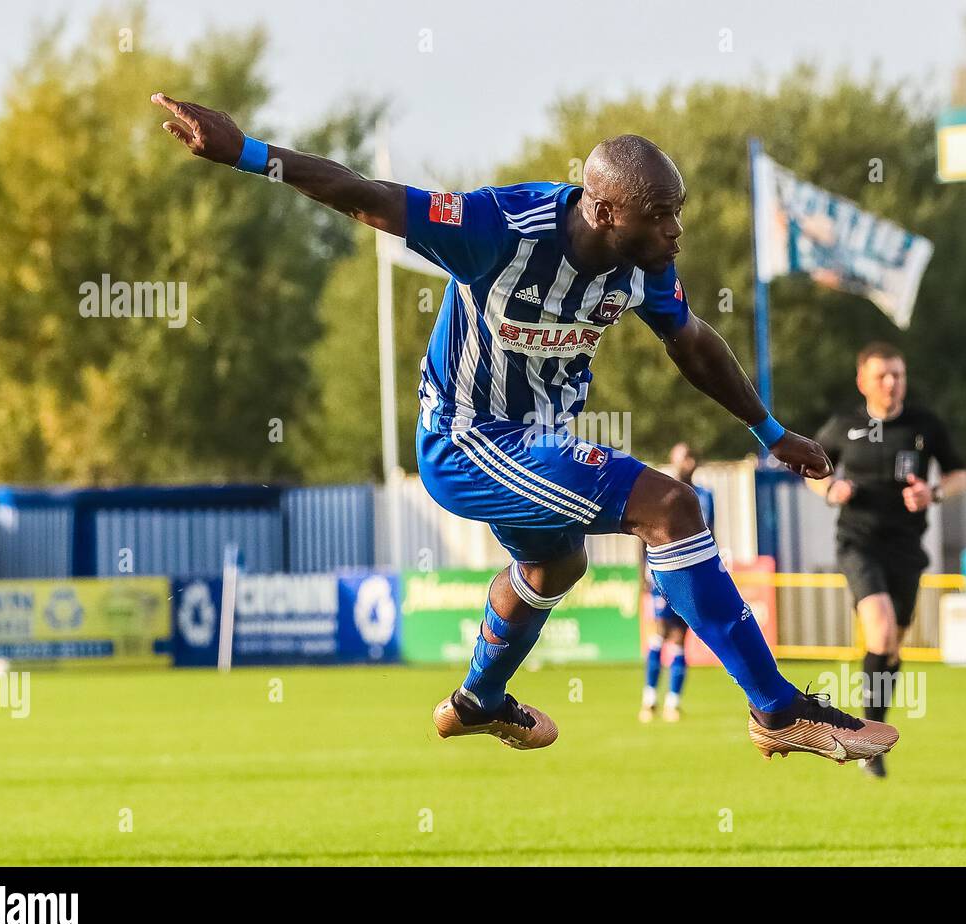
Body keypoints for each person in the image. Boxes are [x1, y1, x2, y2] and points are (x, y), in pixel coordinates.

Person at [152, 94, 899, 765]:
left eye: (679, 211)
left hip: (535, 437)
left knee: (555, 569)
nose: (676, 230)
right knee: (670, 508)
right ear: (605, 212)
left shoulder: (644, 265)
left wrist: (769, 430)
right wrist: (247, 153)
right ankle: (776, 709)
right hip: (466, 437)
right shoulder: (498, 228)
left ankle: (479, 700)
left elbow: (692, 343)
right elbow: (368, 196)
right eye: (661, 215)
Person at [809, 342, 966, 778]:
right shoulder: (843, 427)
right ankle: (868, 742)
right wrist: (829, 490)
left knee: (892, 646)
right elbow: (812, 468)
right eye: (882, 376)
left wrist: (931, 493)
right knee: (878, 631)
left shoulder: (924, 426)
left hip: (906, 550)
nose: (892, 383)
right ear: (863, 381)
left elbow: (959, 475)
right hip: (858, 543)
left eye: (898, 374)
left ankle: (873, 735)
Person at [640, 442, 714, 723]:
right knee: (659, 632)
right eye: (684, 457)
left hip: (692, 575)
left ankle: (672, 702)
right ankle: (649, 699)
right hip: (661, 572)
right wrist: (643, 575)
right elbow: (643, 532)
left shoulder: (706, 495)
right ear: (673, 460)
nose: (689, 461)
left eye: (692, 456)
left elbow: (712, 534)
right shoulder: (663, 491)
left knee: (680, 638)